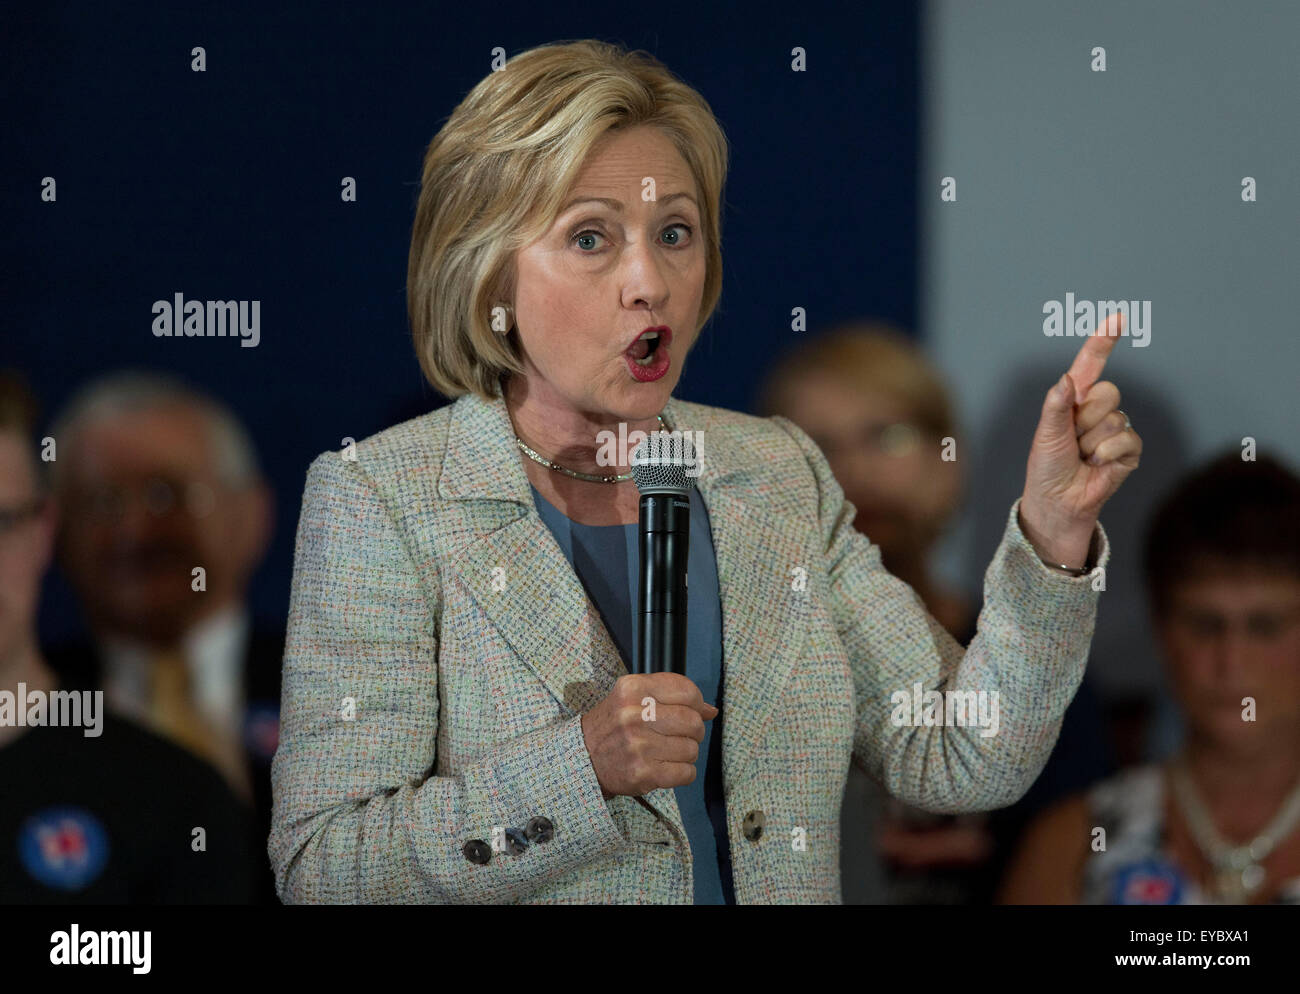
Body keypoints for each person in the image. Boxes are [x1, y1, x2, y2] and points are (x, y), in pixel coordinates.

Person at [268, 39, 1142, 904]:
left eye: (675, 232)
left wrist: (1053, 537)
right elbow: (327, 866)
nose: (650, 281)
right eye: (591, 239)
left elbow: (961, 754)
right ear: (489, 272)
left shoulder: (775, 471)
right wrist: (579, 771)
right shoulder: (384, 501)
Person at [761, 326, 1112, 903]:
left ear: (949, 458)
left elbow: (1074, 850)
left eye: (886, 436)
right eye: (817, 446)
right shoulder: (742, 654)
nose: (852, 471)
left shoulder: (1031, 652)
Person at [999, 452, 1300, 904]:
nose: (1231, 661)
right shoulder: (1073, 843)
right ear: (1161, 630)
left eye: (1265, 626)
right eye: (1204, 625)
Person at [0, 372, 254, 903]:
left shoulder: (180, 799)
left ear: (43, 529)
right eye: (104, 502)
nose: (134, 531)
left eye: (0, 523)